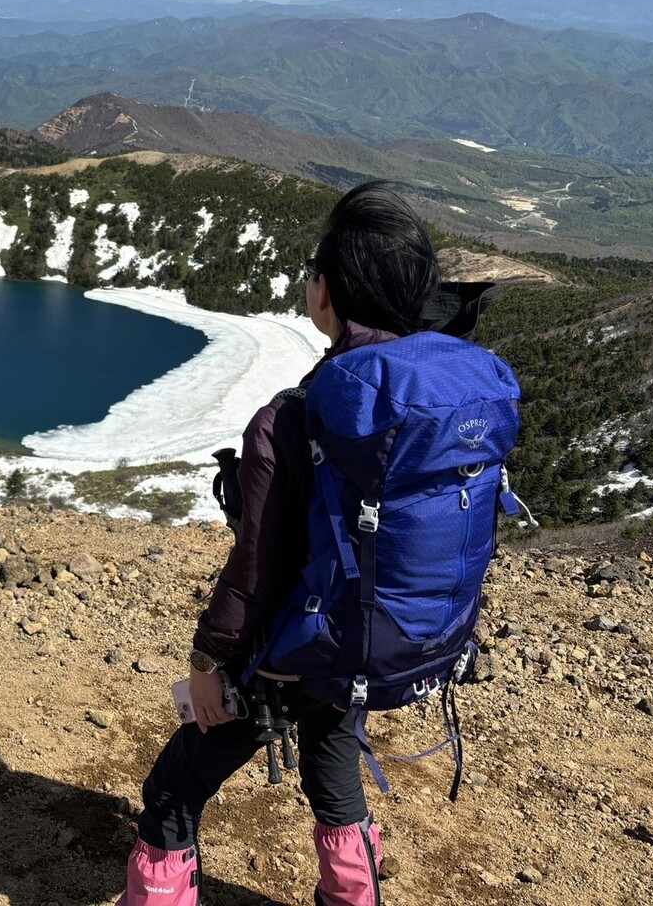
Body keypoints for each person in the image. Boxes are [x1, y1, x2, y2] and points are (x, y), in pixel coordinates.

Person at [118, 182, 442, 906]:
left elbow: (256, 569)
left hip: (289, 654)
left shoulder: (291, 419)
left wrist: (208, 660)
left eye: (313, 272)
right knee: (334, 777)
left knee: (174, 787)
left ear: (325, 293)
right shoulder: (428, 407)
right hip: (369, 640)